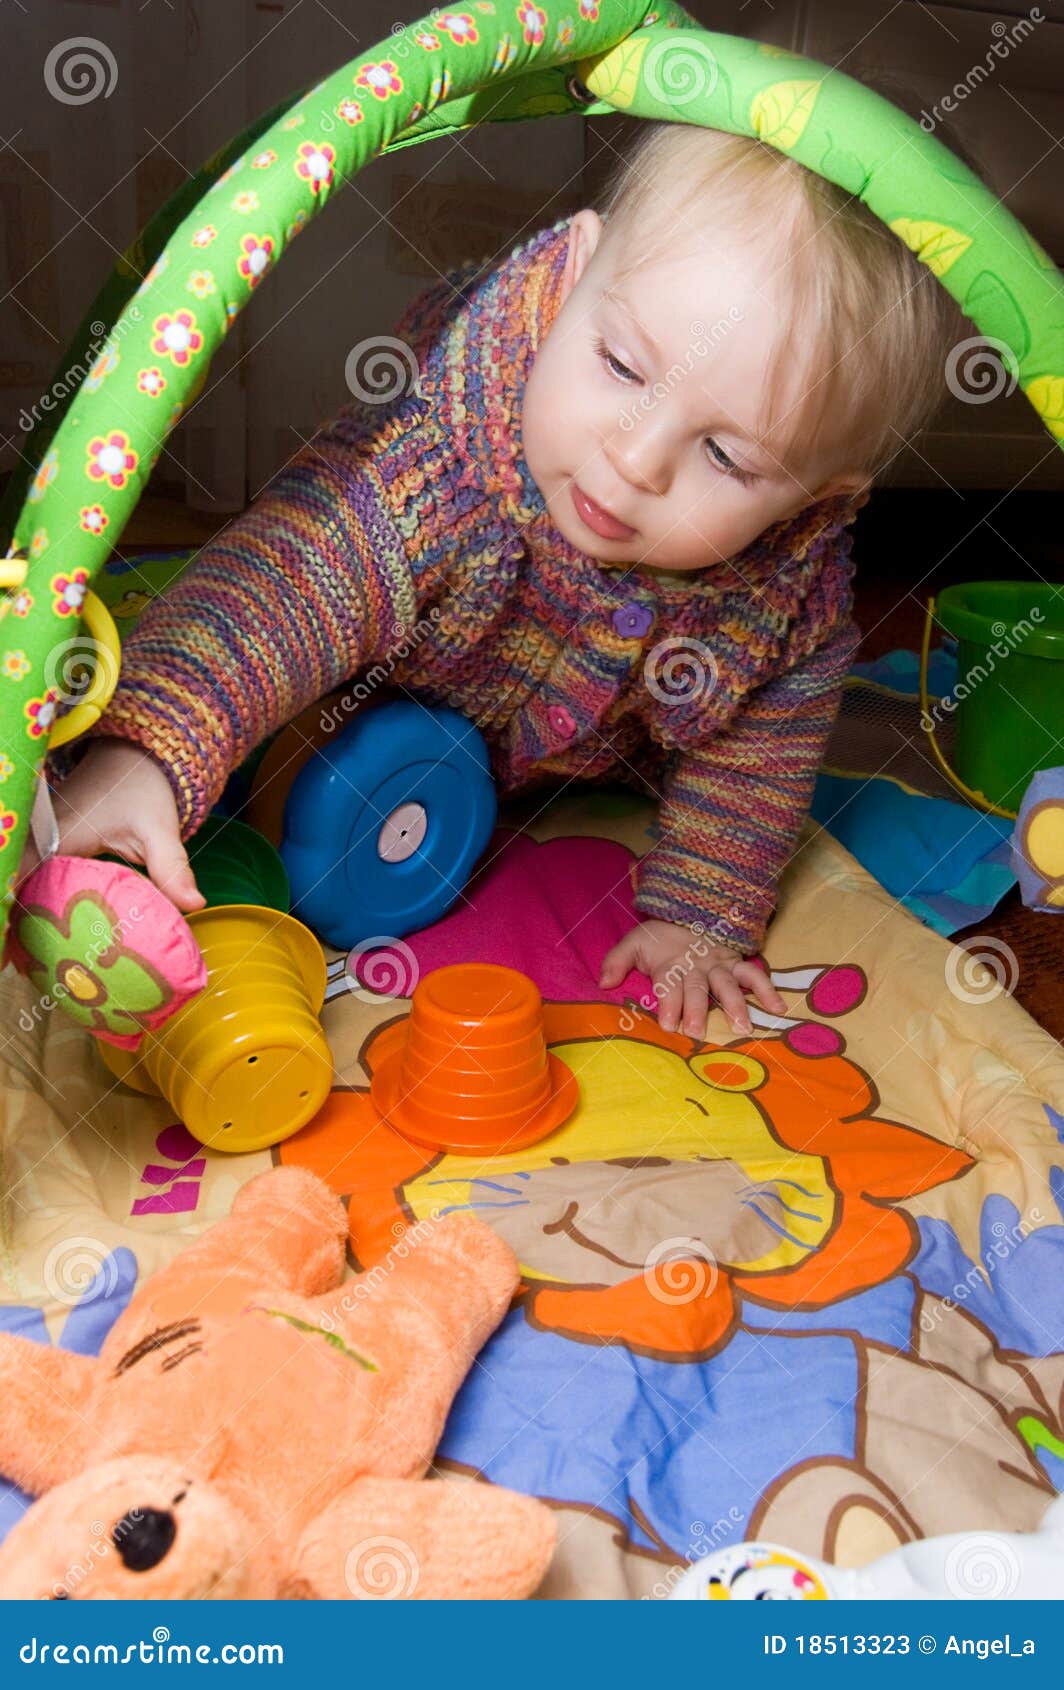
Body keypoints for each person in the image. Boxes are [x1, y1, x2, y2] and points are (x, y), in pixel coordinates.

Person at [23, 117, 972, 1038]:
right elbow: (283, 588)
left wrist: (704, 911)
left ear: (816, 498)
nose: (634, 458)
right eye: (620, 365)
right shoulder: (436, 472)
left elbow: (758, 755)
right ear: (570, 277)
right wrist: (143, 756)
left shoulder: (781, 607)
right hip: (369, 677)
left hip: (553, 752)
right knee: (276, 655)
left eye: (726, 456)